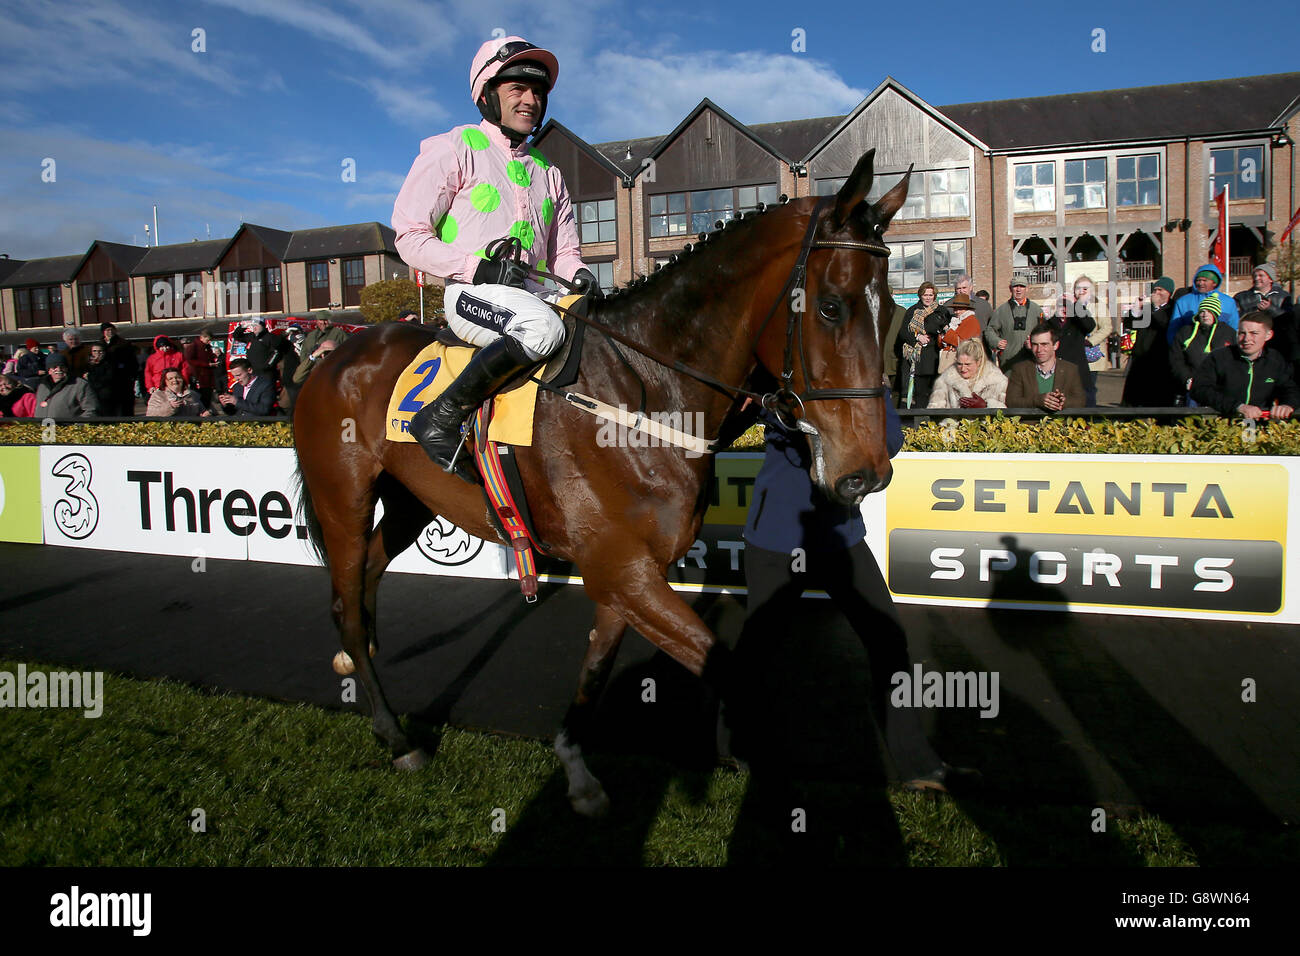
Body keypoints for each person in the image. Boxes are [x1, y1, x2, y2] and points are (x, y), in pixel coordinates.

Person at [734, 397, 981, 793]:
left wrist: (866, 409)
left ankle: (917, 763)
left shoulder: (856, 376)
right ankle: (739, 746)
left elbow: (892, 439)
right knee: (761, 648)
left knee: (887, 638)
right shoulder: (776, 380)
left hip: (838, 535)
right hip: (777, 536)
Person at [392, 35, 601, 483]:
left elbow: (564, 252)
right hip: (472, 296)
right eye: (517, 90)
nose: (531, 100)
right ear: (487, 94)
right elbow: (409, 237)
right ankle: (441, 418)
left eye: (538, 92)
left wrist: (581, 274)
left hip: (536, 297)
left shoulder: (550, 173)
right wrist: (478, 268)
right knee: (541, 329)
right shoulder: (453, 149)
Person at [1191, 312, 1299, 420]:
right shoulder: (1219, 357)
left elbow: (1290, 388)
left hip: (1260, 425)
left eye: (1254, 333)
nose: (1246, 339)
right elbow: (1200, 389)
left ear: (1268, 335)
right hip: (1222, 424)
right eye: (1242, 333)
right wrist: (1237, 406)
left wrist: (1287, 405)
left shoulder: (1275, 360)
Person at [1121, 276, 1179, 407]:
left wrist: (1157, 308)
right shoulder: (1147, 308)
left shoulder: (1173, 308)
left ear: (1169, 292)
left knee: (1157, 401)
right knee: (1133, 399)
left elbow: (1163, 324)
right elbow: (1130, 323)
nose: (1156, 293)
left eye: (1160, 290)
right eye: (1155, 290)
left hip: (1161, 360)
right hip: (1140, 359)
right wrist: (1136, 309)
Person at [1169, 292, 1235, 403]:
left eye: (1209, 311)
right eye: (1202, 311)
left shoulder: (1229, 333)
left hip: (1220, 388)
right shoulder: (1185, 332)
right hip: (1193, 386)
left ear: (1216, 314)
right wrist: (1187, 379)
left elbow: (1235, 360)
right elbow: (1176, 359)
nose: (1205, 315)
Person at [1234, 262, 1296, 378]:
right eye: (1255, 275)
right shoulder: (1242, 297)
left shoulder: (1283, 297)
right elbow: (1237, 318)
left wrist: (1270, 309)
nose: (1257, 278)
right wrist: (1255, 311)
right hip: (1251, 343)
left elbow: (1288, 319)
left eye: (1261, 275)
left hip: (1277, 343)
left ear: (1270, 278)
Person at [1005, 323, 1086, 411]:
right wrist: (1038, 400)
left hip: (1060, 423)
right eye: (1035, 345)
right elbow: (1011, 401)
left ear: (1055, 345)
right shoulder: (1020, 369)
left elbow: (1081, 401)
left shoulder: (1070, 370)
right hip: (1030, 423)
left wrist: (1063, 402)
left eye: (1044, 344)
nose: (1039, 350)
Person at [1046, 275, 1099, 405]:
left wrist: (1075, 304)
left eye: (1066, 306)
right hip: (1057, 372)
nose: (1063, 309)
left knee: (1085, 404)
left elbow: (1090, 325)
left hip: (1078, 371)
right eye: (1061, 306)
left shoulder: (1077, 323)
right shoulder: (1050, 324)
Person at [895, 282, 949, 408]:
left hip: (935, 356)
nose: (928, 297)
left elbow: (946, 329)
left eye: (930, 295)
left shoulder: (941, 311)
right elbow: (903, 332)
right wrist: (917, 337)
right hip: (917, 357)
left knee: (935, 391)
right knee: (919, 392)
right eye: (925, 295)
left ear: (934, 296)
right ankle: (921, 420)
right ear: (920, 295)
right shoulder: (912, 311)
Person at [1167, 263, 1240, 344]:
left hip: (1219, 350)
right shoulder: (1183, 301)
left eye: (1205, 280)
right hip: (1191, 350)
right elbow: (1173, 329)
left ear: (1214, 283)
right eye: (1198, 280)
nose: (1200, 283)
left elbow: (1234, 328)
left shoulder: (1229, 302)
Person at [928, 337, 1008, 409]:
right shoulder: (945, 380)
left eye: (967, 364)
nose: (963, 369)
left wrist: (986, 405)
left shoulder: (998, 381)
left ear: (978, 362)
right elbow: (934, 411)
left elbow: (1006, 414)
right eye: (959, 364)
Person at [985, 279, 1045, 367]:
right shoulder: (1001, 310)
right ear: (1010, 289)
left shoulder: (1036, 310)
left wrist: (1034, 342)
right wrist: (996, 342)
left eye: (1022, 286)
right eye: (1015, 286)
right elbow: (989, 330)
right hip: (1008, 362)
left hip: (1032, 359)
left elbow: (1045, 331)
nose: (1018, 289)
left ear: (1027, 289)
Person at [34, 355, 98, 417]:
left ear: (67, 369)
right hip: (43, 427)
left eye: (62, 366)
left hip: (68, 427)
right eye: (54, 367)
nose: (59, 369)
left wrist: (76, 426)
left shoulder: (79, 385)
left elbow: (91, 410)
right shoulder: (42, 386)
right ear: (49, 371)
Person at [101, 323, 139, 416]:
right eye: (108, 330)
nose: (110, 332)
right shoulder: (100, 344)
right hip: (106, 380)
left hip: (122, 379)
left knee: (125, 407)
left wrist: (131, 376)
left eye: (112, 329)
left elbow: (133, 362)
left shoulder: (123, 343)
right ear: (103, 332)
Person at [146, 368, 211, 418]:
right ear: (165, 381)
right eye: (170, 378)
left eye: (178, 377)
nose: (175, 380)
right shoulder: (158, 395)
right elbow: (151, 415)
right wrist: (170, 407)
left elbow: (204, 411)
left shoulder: (193, 395)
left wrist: (206, 415)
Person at [184, 329, 219, 408]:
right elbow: (190, 360)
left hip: (208, 378)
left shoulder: (207, 347)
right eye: (208, 340)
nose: (209, 342)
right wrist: (207, 364)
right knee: (199, 399)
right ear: (202, 337)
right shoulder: (193, 347)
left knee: (207, 398)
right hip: (198, 377)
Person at [82, 342, 115, 415]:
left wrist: (90, 377)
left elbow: (107, 379)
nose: (97, 353)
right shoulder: (88, 365)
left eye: (100, 351)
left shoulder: (109, 364)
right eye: (94, 351)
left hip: (106, 397)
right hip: (91, 396)